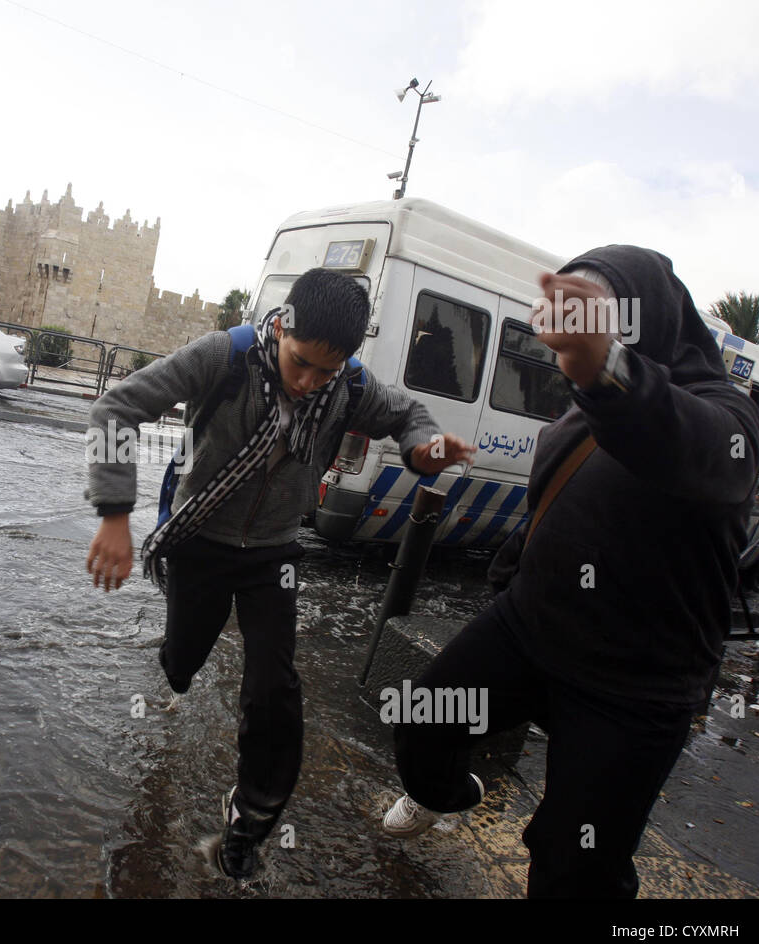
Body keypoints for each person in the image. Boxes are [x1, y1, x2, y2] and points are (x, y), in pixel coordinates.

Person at [382, 246, 759, 898]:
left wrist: (607, 365)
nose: (576, 330)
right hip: (531, 627)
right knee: (423, 717)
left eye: (602, 313)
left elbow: (688, 444)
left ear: (652, 321)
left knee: (571, 863)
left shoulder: (728, 416)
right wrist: (509, 582)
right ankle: (445, 793)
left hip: (633, 686)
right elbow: (548, 509)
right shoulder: (575, 413)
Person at [85, 267, 474, 880]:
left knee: (275, 686)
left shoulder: (348, 385)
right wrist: (114, 515)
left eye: (327, 371)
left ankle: (248, 824)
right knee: (183, 661)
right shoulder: (226, 357)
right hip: (200, 542)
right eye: (301, 365)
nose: (310, 382)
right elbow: (117, 408)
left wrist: (424, 450)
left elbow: (407, 415)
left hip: (274, 553)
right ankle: (177, 665)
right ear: (283, 326)